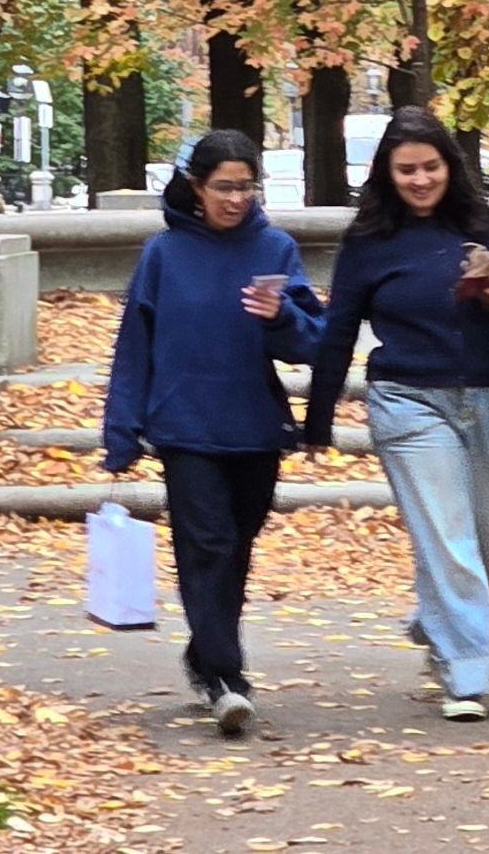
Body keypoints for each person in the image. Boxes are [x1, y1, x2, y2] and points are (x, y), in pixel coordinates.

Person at [301, 107, 489, 722]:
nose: (419, 180)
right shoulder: (367, 242)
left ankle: (437, 619)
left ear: (449, 167)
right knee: (449, 541)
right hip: (408, 404)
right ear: (387, 173)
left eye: (430, 167)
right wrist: (318, 418)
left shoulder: (483, 223)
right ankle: (468, 673)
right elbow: (338, 332)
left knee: (486, 543)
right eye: (406, 169)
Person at [102, 130, 322, 737]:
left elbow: (311, 342)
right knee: (208, 546)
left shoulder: (275, 248)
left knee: (235, 550)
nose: (236, 199)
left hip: (253, 426)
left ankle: (204, 659)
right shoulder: (164, 255)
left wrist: (282, 316)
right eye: (224, 187)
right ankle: (227, 678)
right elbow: (134, 347)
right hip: (184, 427)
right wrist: (122, 431)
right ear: (195, 188)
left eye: (246, 186)